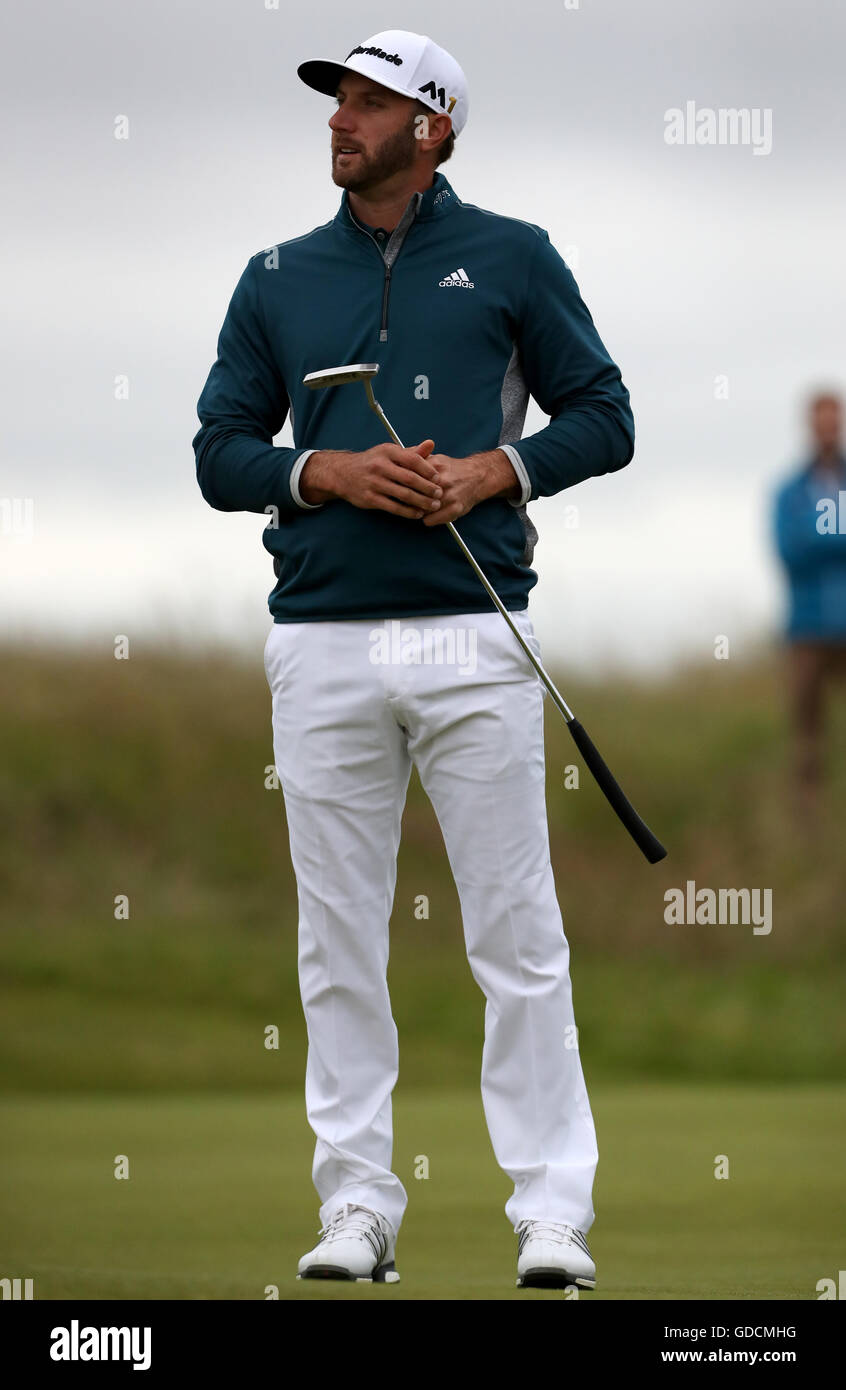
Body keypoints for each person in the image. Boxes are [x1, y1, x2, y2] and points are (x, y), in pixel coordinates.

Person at [192, 29, 635, 1291]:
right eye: (338, 97)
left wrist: (500, 467)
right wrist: (320, 469)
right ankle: (358, 1210)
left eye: (371, 102)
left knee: (517, 934)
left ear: (432, 128)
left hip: (475, 636)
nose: (342, 118)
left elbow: (605, 412)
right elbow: (221, 448)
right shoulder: (274, 276)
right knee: (337, 941)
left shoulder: (513, 257)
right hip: (319, 638)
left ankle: (553, 1214)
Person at [773, 392, 846, 819]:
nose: (828, 429)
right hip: (807, 629)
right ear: (809, 426)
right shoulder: (789, 490)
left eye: (834, 420)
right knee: (807, 735)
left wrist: (817, 537)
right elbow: (790, 551)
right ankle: (808, 820)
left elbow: (806, 543)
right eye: (821, 421)